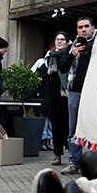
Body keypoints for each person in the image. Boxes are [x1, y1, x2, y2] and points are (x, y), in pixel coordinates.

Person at [58, 17, 97, 175]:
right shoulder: (72, 46)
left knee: (94, 126)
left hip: (94, 91)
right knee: (73, 128)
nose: (84, 29)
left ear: (92, 27)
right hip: (75, 91)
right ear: (77, 30)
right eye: (80, 27)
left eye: (87, 26)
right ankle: (74, 162)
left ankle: (93, 162)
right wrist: (73, 53)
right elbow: (62, 68)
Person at [43, 31, 71, 166]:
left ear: (67, 41)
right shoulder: (50, 56)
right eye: (57, 39)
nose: (59, 42)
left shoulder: (71, 54)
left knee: (69, 124)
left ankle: (73, 155)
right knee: (55, 125)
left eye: (62, 39)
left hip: (67, 93)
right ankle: (57, 154)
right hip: (54, 94)